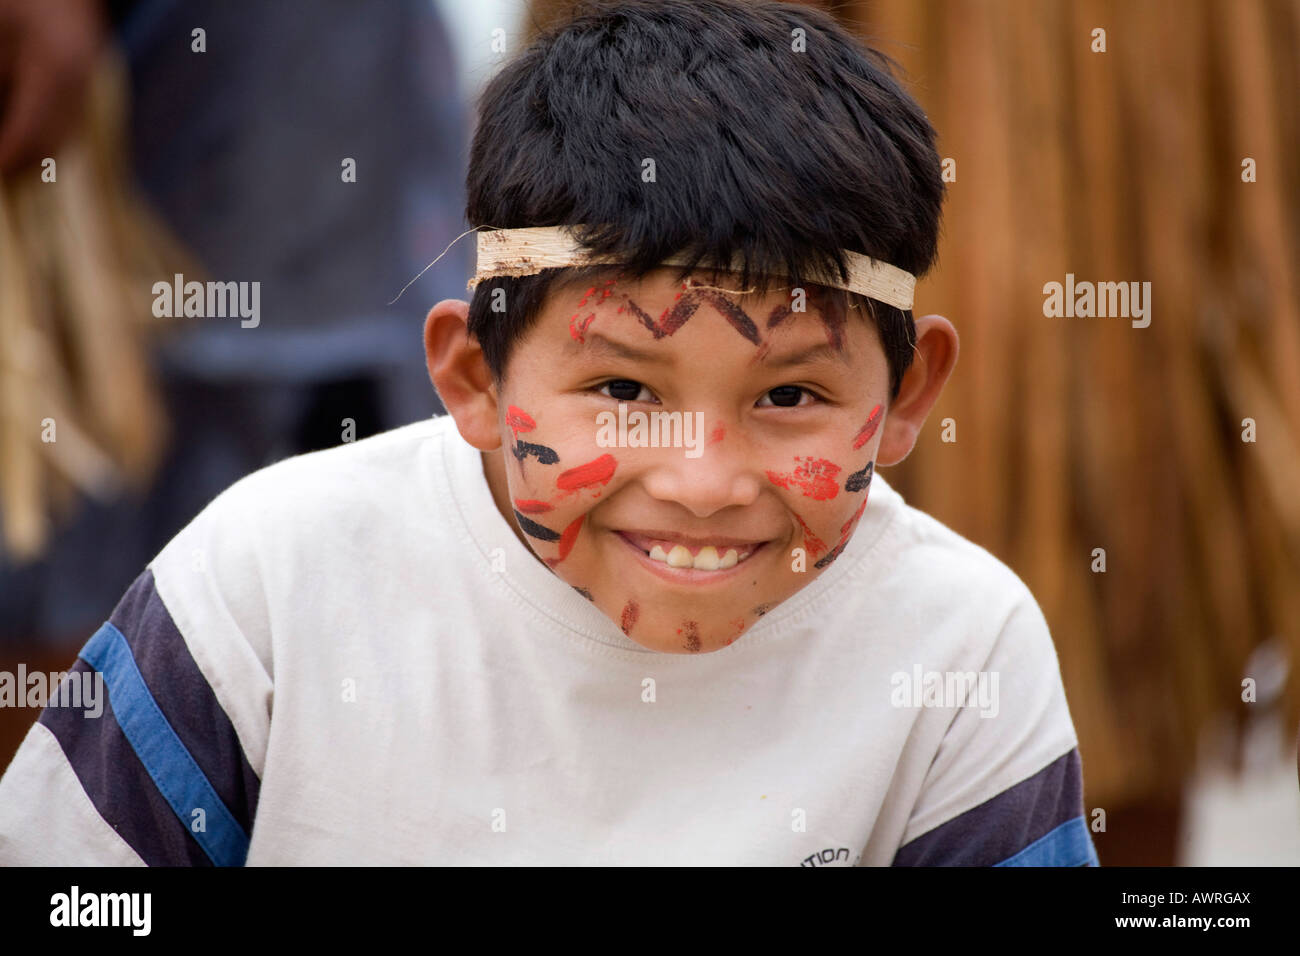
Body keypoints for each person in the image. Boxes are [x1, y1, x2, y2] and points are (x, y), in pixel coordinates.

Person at [0, 0, 1098, 866]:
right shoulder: (269, 586)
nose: (703, 479)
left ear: (907, 395)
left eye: (787, 398)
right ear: (472, 376)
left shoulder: (958, 650)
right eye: (622, 386)